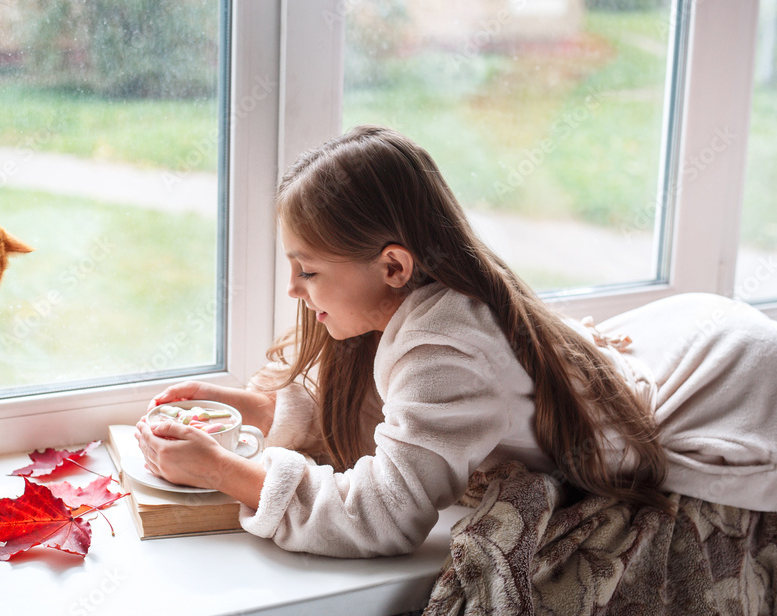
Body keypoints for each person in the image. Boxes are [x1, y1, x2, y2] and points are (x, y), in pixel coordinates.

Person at [135, 125, 777, 558]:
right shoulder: (423, 311)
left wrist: (224, 469)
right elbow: (404, 415)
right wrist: (265, 410)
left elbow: (385, 515)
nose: (293, 291)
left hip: (731, 382)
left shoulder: (446, 348)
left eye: (308, 270)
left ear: (392, 267)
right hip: (686, 335)